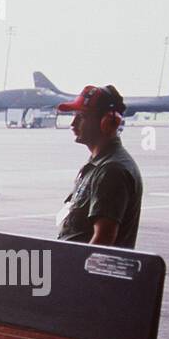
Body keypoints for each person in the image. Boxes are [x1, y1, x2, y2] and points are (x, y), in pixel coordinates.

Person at [55, 85, 142, 248]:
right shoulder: (99, 163)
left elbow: (102, 240)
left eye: (82, 117)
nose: (73, 123)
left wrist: (76, 272)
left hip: (86, 270)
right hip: (71, 262)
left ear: (107, 122)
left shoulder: (111, 171)